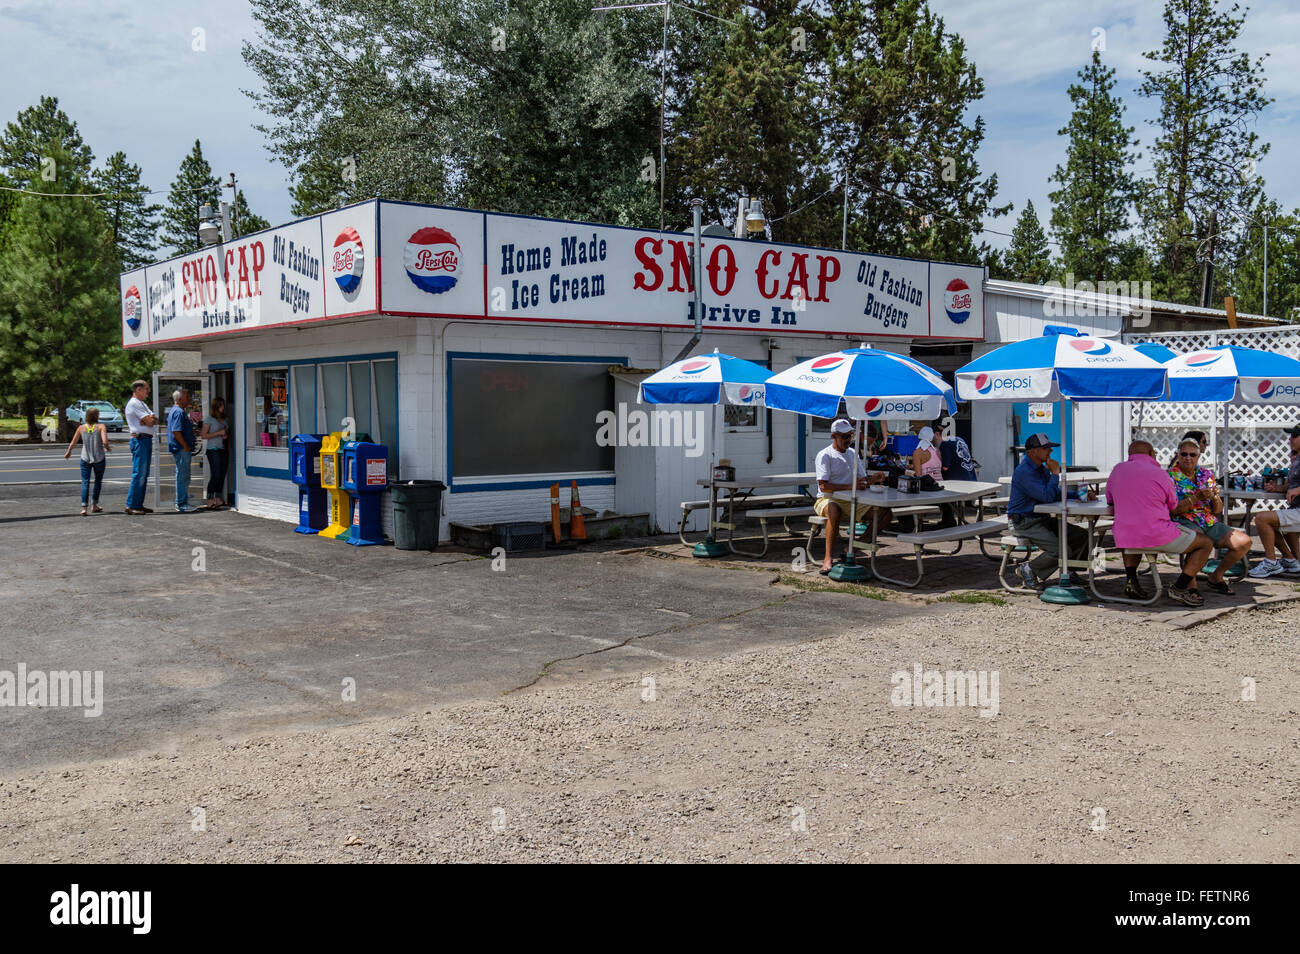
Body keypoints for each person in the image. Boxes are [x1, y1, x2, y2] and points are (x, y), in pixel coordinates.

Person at [1107, 440, 1214, 605]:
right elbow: (1173, 506)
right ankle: (1180, 587)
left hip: (1124, 536)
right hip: (1157, 534)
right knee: (1205, 543)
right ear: (1151, 453)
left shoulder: (1117, 470)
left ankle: (1132, 581)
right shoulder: (1160, 474)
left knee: (1134, 532)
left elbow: (1109, 499)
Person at [1006, 433, 1092, 590]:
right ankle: (1028, 569)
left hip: (1041, 519)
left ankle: (1069, 571)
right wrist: (1055, 474)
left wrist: (1080, 495)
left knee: (1082, 536)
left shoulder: (1041, 470)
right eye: (1046, 448)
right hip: (1024, 522)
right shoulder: (1024, 472)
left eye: (1050, 448)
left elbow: (1054, 493)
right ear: (1032, 452)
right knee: (1060, 550)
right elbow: (1046, 496)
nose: (1050, 452)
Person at [1168, 438, 1250, 595]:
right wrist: (1196, 498)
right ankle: (1191, 586)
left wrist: (1215, 497)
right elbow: (1173, 510)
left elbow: (1217, 509)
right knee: (1197, 541)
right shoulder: (1169, 477)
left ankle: (1216, 577)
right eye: (1184, 454)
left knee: (1243, 542)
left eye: (1192, 454)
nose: (1188, 458)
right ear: (1177, 455)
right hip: (1182, 520)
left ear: (1198, 456)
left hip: (1207, 520)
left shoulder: (1206, 474)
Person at [814, 419, 886, 574]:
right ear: (834, 436)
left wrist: (874, 479)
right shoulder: (825, 455)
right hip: (827, 498)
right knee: (834, 509)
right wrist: (850, 486)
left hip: (850, 499)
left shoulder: (853, 453)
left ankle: (853, 547)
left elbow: (862, 480)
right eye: (845, 437)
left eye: (851, 436)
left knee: (885, 513)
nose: (849, 440)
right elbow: (823, 486)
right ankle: (827, 558)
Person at [1249, 423, 1300, 578]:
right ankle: (1292, 560)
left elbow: (1296, 488)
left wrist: (1298, 490)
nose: (1290, 439)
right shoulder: (1297, 458)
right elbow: (1290, 486)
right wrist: (1276, 489)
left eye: (1294, 436)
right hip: (1295, 509)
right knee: (1272, 523)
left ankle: (1271, 562)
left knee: (1261, 519)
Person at [64, 406, 111, 516]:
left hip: (85, 458)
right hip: (99, 458)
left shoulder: (81, 428)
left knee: (85, 482)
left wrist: (69, 451)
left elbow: (74, 441)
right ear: (96, 416)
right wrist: (107, 447)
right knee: (98, 481)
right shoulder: (101, 427)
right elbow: (104, 441)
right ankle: (94, 505)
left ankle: (84, 507)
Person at [124, 379, 157, 515]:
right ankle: (131, 505)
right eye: (146, 389)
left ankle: (138, 504)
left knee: (144, 474)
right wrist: (149, 419)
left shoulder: (141, 403)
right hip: (140, 440)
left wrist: (150, 419)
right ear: (138, 389)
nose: (148, 391)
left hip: (145, 439)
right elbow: (150, 421)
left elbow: (155, 420)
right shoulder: (134, 404)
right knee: (139, 474)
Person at [167, 389, 197, 513]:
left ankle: (182, 499)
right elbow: (176, 431)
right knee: (183, 476)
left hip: (180, 448)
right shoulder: (178, 412)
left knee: (183, 475)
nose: (189, 399)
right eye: (187, 396)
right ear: (180, 399)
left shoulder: (177, 411)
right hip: (181, 449)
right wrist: (185, 445)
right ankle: (181, 503)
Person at [200, 397, 230, 510]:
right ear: (216, 406)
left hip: (223, 449)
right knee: (216, 475)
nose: (223, 407)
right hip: (213, 450)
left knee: (222, 475)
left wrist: (225, 435)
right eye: (221, 405)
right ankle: (209, 499)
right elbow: (203, 435)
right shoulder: (209, 419)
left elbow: (226, 432)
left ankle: (217, 498)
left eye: (223, 405)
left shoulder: (225, 419)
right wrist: (218, 433)